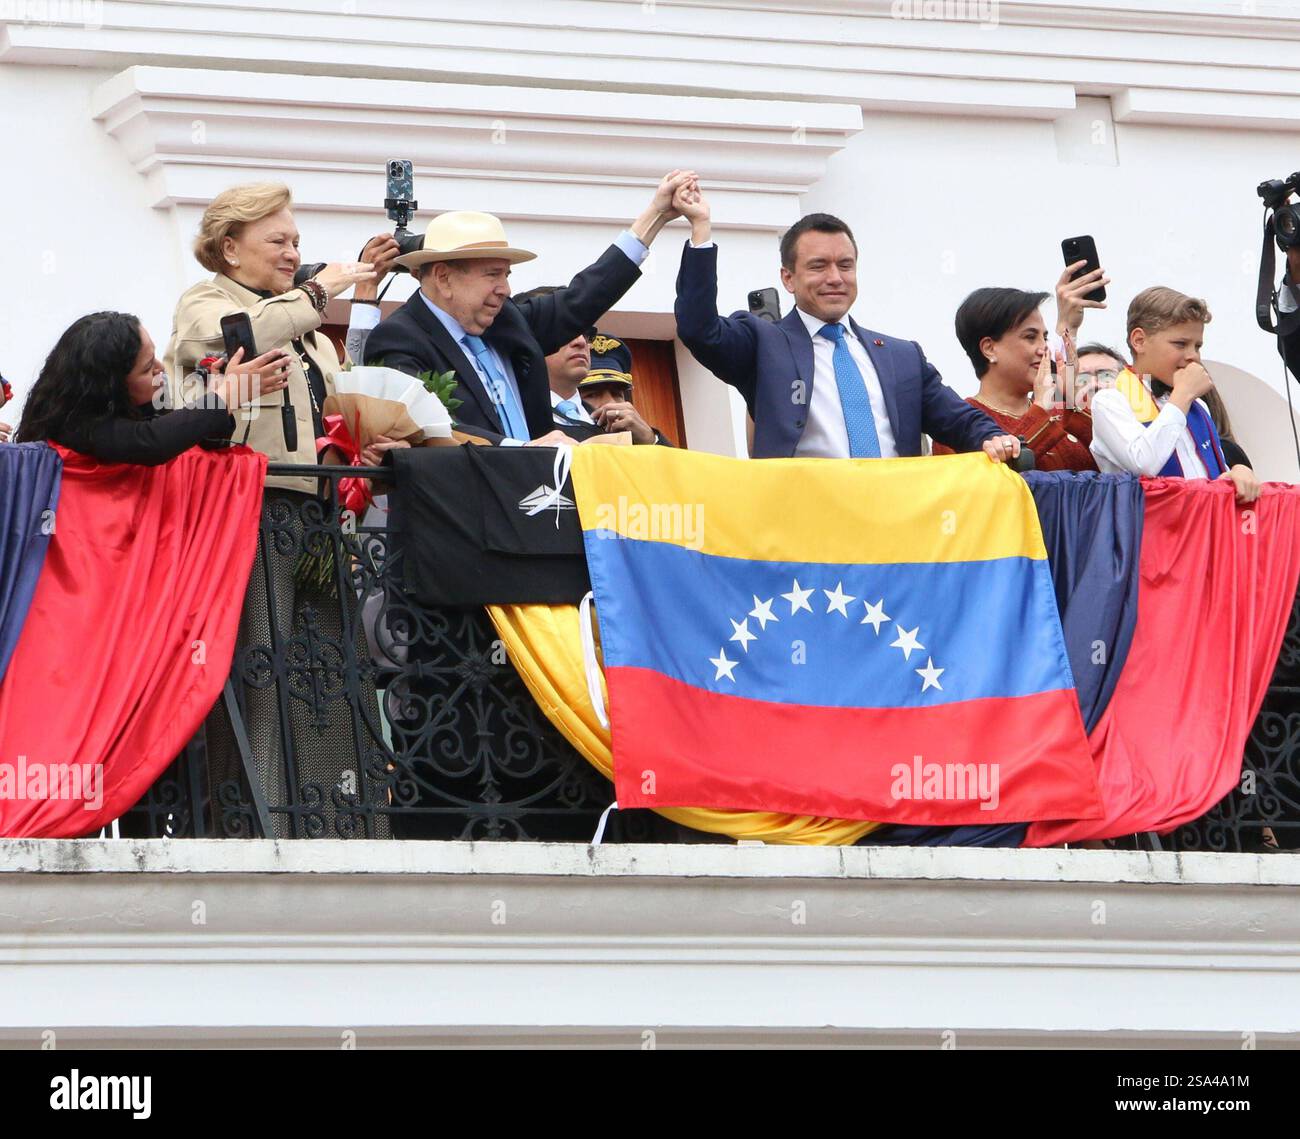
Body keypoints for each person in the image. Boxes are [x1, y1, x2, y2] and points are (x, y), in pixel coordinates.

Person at [163, 181, 406, 839]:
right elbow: (231, 340)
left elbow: (335, 409)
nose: (291, 251)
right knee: (263, 664)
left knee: (335, 664)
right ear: (230, 247)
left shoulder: (311, 332)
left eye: (295, 240)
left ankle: (346, 816)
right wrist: (318, 291)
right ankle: (261, 816)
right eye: (277, 240)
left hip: (317, 514)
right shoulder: (206, 303)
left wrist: (369, 439)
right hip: (246, 510)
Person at [671, 187, 1021, 463]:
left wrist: (993, 437)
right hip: (810, 533)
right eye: (819, 266)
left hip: (895, 528)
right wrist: (701, 230)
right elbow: (698, 328)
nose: (835, 278)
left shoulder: (902, 356)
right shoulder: (763, 343)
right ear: (788, 278)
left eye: (845, 265)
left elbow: (959, 420)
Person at [363, 170, 698, 446]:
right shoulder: (398, 339)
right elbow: (428, 431)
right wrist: (524, 452)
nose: (505, 289)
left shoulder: (506, 320)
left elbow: (583, 297)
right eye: (492, 275)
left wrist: (656, 215)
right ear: (444, 277)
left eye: (506, 275)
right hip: (464, 520)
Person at [15, 311, 288, 460]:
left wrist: (217, 394)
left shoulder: (144, 408)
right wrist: (225, 396)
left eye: (155, 356)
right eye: (147, 368)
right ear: (111, 385)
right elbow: (152, 442)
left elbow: (194, 441)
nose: (160, 368)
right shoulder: (73, 423)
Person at [1089, 287, 1260, 502]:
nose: (1193, 356)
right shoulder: (1110, 401)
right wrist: (1182, 397)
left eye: (1197, 346)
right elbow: (1145, 464)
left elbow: (1205, 475)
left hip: (1204, 528)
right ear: (1139, 341)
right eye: (1180, 344)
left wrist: (1236, 472)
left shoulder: (1197, 404)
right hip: (1148, 531)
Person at [934, 284, 1097, 471]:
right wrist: (1041, 411)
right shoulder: (958, 424)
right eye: (1030, 337)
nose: (1044, 347)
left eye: (1045, 337)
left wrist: (1073, 397)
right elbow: (988, 486)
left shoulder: (1061, 411)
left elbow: (1115, 468)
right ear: (989, 349)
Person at [577, 332, 673, 445]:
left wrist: (650, 439)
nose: (611, 402)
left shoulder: (636, 439)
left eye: (616, 394)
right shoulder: (557, 437)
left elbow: (675, 463)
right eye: (592, 395)